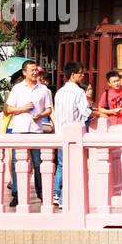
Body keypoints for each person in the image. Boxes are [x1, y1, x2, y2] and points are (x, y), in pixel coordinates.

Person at [4, 60, 53, 206]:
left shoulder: (43, 89)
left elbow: (49, 109)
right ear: (24, 72)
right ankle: (16, 194)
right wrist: (23, 108)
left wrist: (41, 115)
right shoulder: (17, 89)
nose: (35, 72)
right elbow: (8, 109)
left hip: (36, 130)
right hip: (19, 130)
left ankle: (40, 192)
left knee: (38, 163)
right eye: (31, 70)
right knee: (17, 162)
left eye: (36, 69)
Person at [52, 61, 90, 206]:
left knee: (62, 165)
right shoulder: (79, 91)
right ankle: (64, 199)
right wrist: (96, 112)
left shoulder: (59, 92)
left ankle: (57, 194)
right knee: (72, 167)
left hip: (60, 134)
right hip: (74, 135)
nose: (82, 75)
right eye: (80, 73)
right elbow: (85, 112)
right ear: (73, 75)